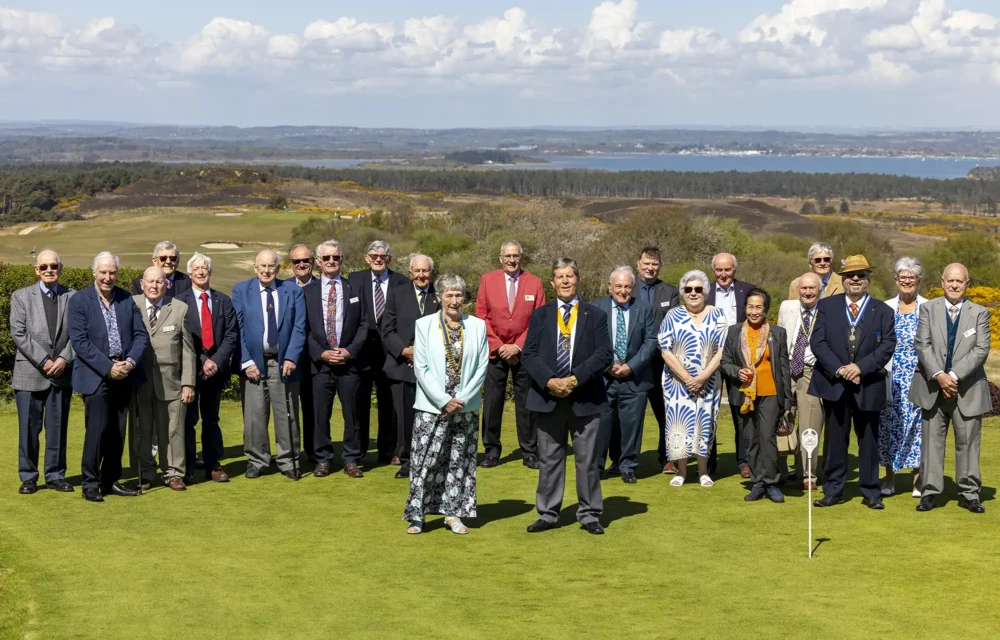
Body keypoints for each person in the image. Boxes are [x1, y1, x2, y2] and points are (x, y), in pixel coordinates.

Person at [522, 258, 613, 535]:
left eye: (569, 276)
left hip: (585, 398)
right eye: (559, 276)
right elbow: (530, 354)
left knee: (587, 461)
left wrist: (573, 380)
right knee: (549, 459)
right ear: (551, 282)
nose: (564, 281)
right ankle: (548, 513)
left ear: (578, 279)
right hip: (548, 398)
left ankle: (589, 514)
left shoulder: (595, 315)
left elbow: (603, 354)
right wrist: (550, 381)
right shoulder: (540, 315)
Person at [809, 255, 896, 509]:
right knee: (836, 440)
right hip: (835, 384)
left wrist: (860, 368)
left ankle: (871, 492)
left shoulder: (883, 311)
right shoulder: (827, 306)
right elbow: (818, 342)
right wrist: (840, 369)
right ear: (843, 279)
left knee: (869, 440)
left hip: (868, 384)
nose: (855, 279)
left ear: (868, 278)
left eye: (861, 275)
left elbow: (888, 347)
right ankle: (833, 490)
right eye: (850, 275)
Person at [404, 274, 489, 535]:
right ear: (439, 297)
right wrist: (443, 400)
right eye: (449, 295)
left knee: (459, 462)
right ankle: (417, 515)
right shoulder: (424, 325)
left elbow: (481, 366)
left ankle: (453, 514)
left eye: (459, 295)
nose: (454, 300)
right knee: (425, 461)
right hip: (433, 406)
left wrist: (460, 399)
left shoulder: (477, 326)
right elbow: (421, 367)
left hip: (465, 407)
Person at [910, 263, 991, 514]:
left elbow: (981, 350)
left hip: (967, 390)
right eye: (950, 281)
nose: (954, 285)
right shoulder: (927, 309)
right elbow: (922, 345)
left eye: (960, 281)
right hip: (932, 388)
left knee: (968, 443)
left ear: (968, 284)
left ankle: (969, 493)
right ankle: (930, 493)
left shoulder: (980, 313)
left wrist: (953, 376)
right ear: (942, 282)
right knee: (931, 444)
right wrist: (940, 376)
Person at [69, 251, 149, 502]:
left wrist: (130, 362)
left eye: (112, 272)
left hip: (124, 374)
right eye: (103, 272)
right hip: (96, 375)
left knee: (117, 430)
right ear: (94, 272)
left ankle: (110, 480)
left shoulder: (126, 299)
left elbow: (140, 335)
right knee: (97, 430)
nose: (108, 277)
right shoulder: (79, 301)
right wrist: (107, 367)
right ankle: (90, 483)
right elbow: (80, 342)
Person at [232, 249, 307, 480]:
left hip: (283, 363)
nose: (266, 270)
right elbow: (238, 330)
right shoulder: (241, 290)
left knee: (287, 415)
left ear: (278, 268)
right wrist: (246, 361)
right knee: (255, 416)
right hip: (254, 363)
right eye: (262, 266)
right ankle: (257, 460)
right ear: (255, 268)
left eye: (271, 266)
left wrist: (291, 357)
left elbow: (299, 327)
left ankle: (288, 460)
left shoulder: (292, 291)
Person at [475, 240, 547, 469]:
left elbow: (539, 320)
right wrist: (499, 346)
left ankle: (529, 451)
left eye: (515, 256)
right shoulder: (487, 280)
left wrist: (517, 346)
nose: (512, 260)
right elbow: (481, 317)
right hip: (494, 352)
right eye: (507, 256)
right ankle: (491, 450)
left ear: (521, 258)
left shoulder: (534, 283)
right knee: (492, 403)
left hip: (524, 352)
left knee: (526, 403)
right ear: (500, 258)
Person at [10, 249, 75, 495]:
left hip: (61, 374)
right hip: (29, 373)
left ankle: (55, 475)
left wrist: (63, 359)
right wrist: (45, 360)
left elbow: (79, 333)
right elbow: (18, 333)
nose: (49, 270)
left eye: (54, 266)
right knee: (28, 429)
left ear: (60, 268)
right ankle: (28, 477)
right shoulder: (20, 296)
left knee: (58, 429)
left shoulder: (73, 297)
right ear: (36, 269)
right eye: (44, 266)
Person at [304, 240, 369, 479]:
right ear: (319, 262)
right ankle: (323, 458)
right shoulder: (308, 292)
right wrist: (320, 352)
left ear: (341, 260)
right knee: (321, 414)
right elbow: (304, 329)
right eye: (327, 258)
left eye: (336, 257)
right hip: (321, 364)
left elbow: (364, 325)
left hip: (348, 363)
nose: (331, 261)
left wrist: (350, 351)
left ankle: (351, 459)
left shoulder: (353, 290)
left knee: (352, 414)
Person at [659, 270, 729, 488]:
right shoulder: (672, 315)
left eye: (698, 289)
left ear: (705, 292)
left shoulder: (718, 315)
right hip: (677, 384)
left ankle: (703, 471)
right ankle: (681, 471)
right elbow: (665, 350)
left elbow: (722, 350)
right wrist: (688, 378)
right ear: (682, 293)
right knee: (679, 425)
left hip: (708, 383)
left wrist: (702, 377)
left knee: (704, 424)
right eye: (688, 289)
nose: (693, 293)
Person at [721, 288, 792, 502]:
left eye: (758, 307)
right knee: (750, 439)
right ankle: (757, 483)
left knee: (767, 438)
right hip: (744, 394)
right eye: (750, 306)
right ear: (745, 308)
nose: (754, 311)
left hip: (770, 393)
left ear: (765, 309)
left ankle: (771, 483)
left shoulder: (777, 333)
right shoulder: (734, 332)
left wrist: (787, 401)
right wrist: (737, 372)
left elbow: (784, 367)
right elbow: (725, 362)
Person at [132, 266, 197, 491]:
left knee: (173, 430)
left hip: (172, 382)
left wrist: (188, 382)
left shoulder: (179, 308)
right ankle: (145, 473)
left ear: (166, 284)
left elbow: (188, 350)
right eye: (150, 282)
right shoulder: (131, 305)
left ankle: (174, 473)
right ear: (142, 284)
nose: (154, 286)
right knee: (143, 430)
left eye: (159, 282)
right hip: (139, 382)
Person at [176, 253, 238, 483]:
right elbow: (181, 337)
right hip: (191, 371)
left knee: (211, 419)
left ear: (210, 272)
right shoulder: (180, 303)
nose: (201, 272)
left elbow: (231, 334)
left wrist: (216, 361)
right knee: (189, 420)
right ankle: (188, 468)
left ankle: (214, 465)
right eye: (197, 268)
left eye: (205, 268)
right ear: (190, 273)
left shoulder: (224, 300)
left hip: (216, 371)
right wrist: (202, 360)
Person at [348, 240, 410, 464]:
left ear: (389, 259)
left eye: (382, 256)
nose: (377, 259)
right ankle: (360, 451)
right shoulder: (354, 280)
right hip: (362, 351)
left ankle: (387, 451)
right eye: (373, 255)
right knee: (360, 401)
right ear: (366, 258)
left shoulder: (402, 282)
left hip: (391, 352)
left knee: (390, 403)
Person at [594, 266, 657, 484]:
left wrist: (631, 366)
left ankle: (627, 466)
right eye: (618, 286)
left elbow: (651, 341)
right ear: (610, 286)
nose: (623, 291)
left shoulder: (643, 308)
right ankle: (597, 466)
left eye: (627, 286)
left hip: (635, 378)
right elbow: (592, 342)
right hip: (604, 378)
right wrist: (608, 365)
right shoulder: (596, 308)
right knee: (602, 425)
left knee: (632, 426)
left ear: (633, 288)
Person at [382, 254, 440, 479]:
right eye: (417, 271)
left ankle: (431, 460)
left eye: (425, 271)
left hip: (432, 367)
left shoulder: (439, 294)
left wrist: (423, 354)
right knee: (405, 418)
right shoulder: (397, 294)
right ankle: (407, 461)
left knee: (431, 416)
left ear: (431, 273)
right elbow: (387, 329)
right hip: (402, 365)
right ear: (410, 273)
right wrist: (405, 351)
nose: (421, 275)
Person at [878, 257, 928, 498]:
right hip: (891, 376)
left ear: (918, 280)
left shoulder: (928, 307)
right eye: (902, 277)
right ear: (896, 280)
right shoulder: (885, 307)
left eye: (911, 277)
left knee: (918, 427)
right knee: (888, 425)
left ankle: (918, 480)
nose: (907, 281)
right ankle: (889, 479)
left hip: (919, 376)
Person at [704, 253, 756, 478]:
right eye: (718, 270)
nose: (723, 274)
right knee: (709, 409)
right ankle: (708, 461)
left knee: (740, 410)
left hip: (738, 359)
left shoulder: (748, 290)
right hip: (710, 358)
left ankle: (743, 461)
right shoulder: (704, 292)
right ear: (713, 271)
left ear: (735, 270)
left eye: (727, 270)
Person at [634, 247, 681, 473]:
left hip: (661, 363)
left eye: (654, 264)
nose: (650, 268)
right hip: (632, 363)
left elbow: (671, 325)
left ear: (659, 266)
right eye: (646, 264)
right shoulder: (626, 288)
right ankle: (624, 459)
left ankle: (668, 458)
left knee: (665, 412)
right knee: (631, 414)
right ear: (638, 264)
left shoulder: (670, 292)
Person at [777, 272, 824, 490]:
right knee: (782, 419)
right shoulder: (787, 307)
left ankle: (808, 475)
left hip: (811, 370)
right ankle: (779, 470)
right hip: (786, 367)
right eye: (803, 288)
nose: (807, 292)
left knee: (809, 423)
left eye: (812, 288)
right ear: (798, 290)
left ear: (820, 289)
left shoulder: (827, 310)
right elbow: (778, 335)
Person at [289, 243, 318, 462]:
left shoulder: (322, 286)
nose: (301, 265)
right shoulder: (283, 287)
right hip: (289, 357)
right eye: (296, 261)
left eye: (305, 260)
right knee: (288, 408)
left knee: (311, 407)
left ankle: (312, 450)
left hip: (314, 358)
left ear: (313, 262)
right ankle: (290, 451)